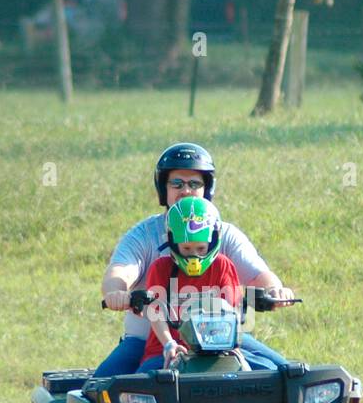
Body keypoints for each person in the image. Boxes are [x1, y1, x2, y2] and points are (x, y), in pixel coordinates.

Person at [96, 142, 293, 376]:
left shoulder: (224, 233)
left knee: (286, 374)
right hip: (149, 342)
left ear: (207, 189)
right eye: (176, 183)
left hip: (220, 342)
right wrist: (117, 293)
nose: (186, 190)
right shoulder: (145, 234)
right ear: (163, 189)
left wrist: (276, 290)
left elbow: (259, 274)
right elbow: (119, 271)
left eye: (194, 184)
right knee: (100, 388)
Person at [138, 197, 275, 371]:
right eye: (186, 249)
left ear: (212, 242)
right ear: (173, 242)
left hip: (218, 350)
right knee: (141, 382)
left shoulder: (222, 265)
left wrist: (231, 347)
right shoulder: (160, 268)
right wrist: (169, 344)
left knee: (270, 370)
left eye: (201, 248)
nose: (194, 255)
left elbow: (232, 313)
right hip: (167, 350)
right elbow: (156, 312)